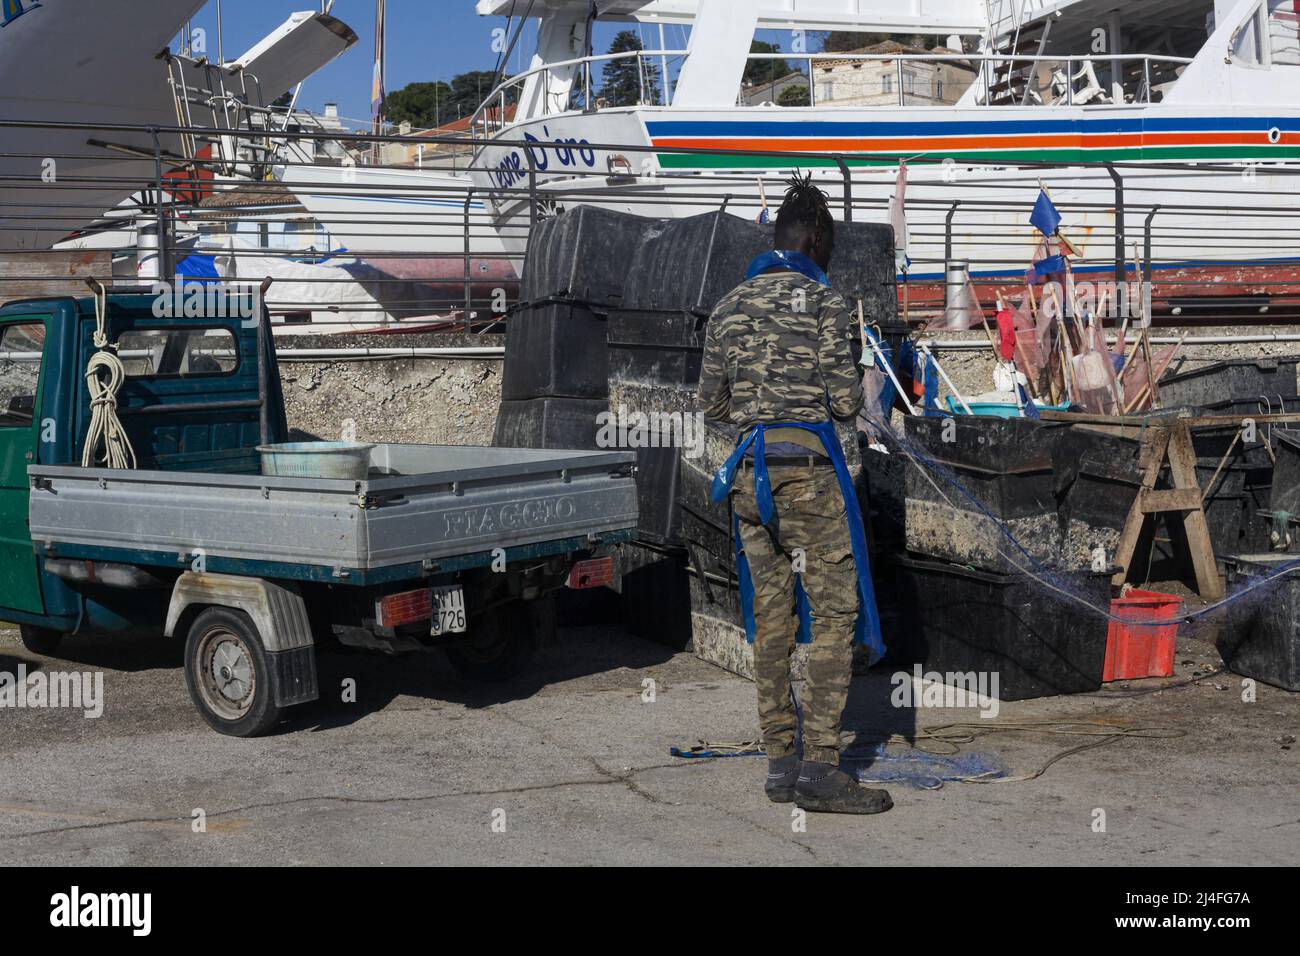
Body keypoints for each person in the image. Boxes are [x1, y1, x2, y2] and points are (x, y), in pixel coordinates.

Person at [697, 173, 891, 815]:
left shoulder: (726, 308)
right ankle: (823, 768)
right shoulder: (830, 308)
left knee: (770, 614)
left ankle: (781, 762)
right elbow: (842, 403)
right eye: (828, 247)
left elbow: (712, 405)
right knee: (835, 614)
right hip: (806, 474)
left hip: (750, 476)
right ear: (813, 240)